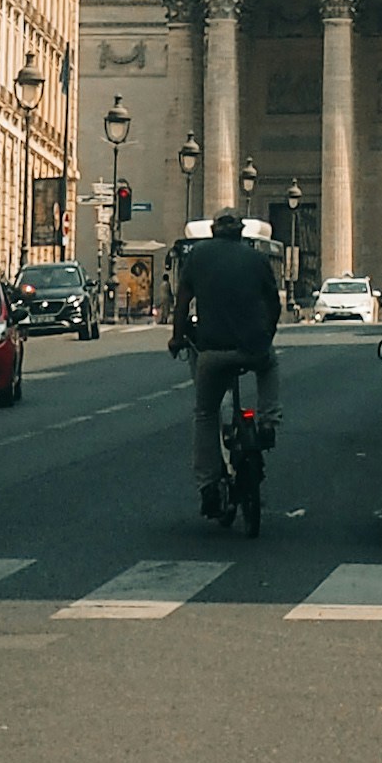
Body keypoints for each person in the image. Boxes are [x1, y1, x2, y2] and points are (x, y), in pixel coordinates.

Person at [170, 201, 284, 522]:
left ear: (212, 231)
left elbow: (181, 306)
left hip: (213, 352)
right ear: (241, 232)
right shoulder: (257, 259)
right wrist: (266, 335)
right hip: (253, 347)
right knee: (270, 365)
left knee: (205, 413)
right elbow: (273, 305)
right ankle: (268, 422)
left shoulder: (196, 258)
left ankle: (208, 486)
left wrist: (177, 338)